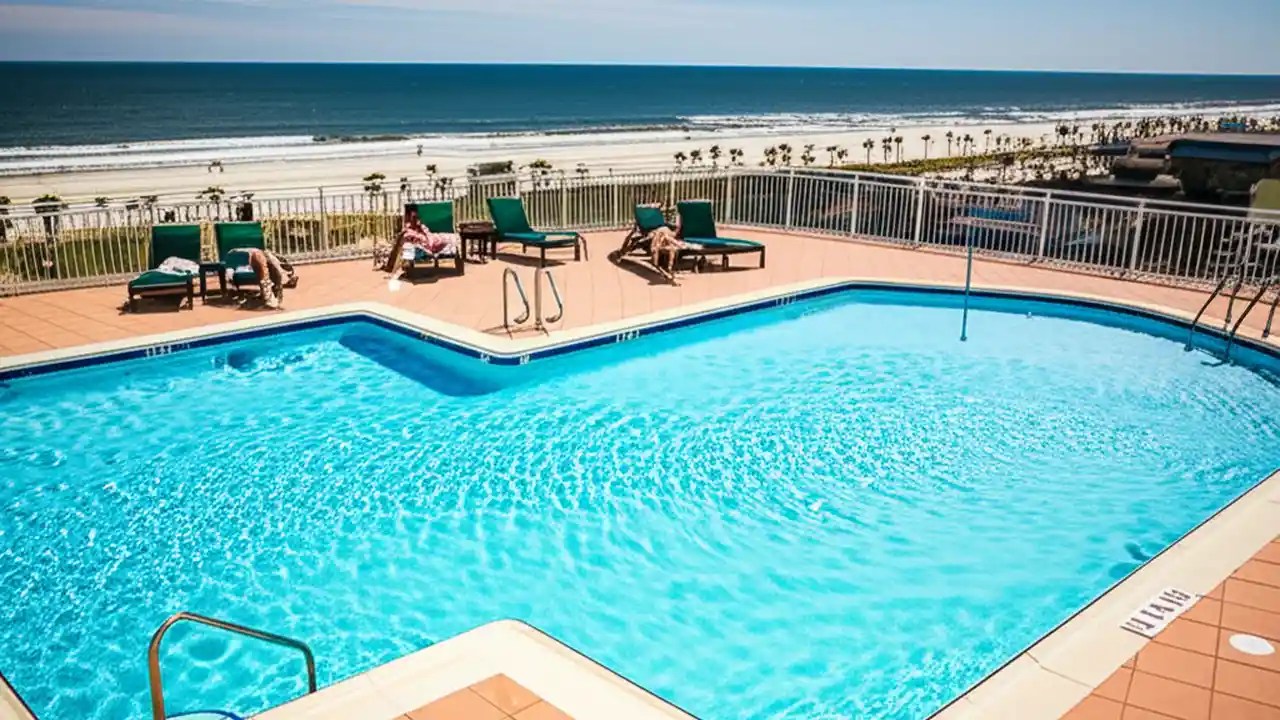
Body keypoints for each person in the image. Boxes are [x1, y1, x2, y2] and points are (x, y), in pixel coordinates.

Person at [383, 207, 459, 273]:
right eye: (413, 217)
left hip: (430, 241)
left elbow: (429, 237)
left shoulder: (421, 227)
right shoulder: (407, 231)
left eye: (416, 217)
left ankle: (392, 265)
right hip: (423, 244)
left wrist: (421, 229)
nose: (415, 220)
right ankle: (392, 265)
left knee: (448, 239)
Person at [228, 248, 296, 309]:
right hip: (244, 255)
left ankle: (268, 291)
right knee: (260, 256)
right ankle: (267, 293)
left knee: (264, 257)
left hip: (256, 255)